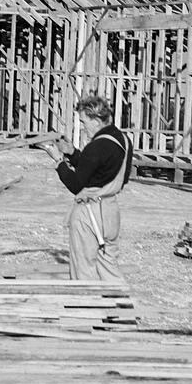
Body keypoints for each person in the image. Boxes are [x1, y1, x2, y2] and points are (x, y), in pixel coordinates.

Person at [40, 94, 132, 282]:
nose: (83, 127)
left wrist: (59, 161)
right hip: (110, 211)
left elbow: (76, 184)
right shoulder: (122, 140)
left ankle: (85, 306)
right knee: (108, 267)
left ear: (96, 120)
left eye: (84, 122)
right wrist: (72, 153)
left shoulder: (96, 147)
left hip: (89, 214)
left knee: (83, 269)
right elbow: (100, 170)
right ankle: (119, 306)